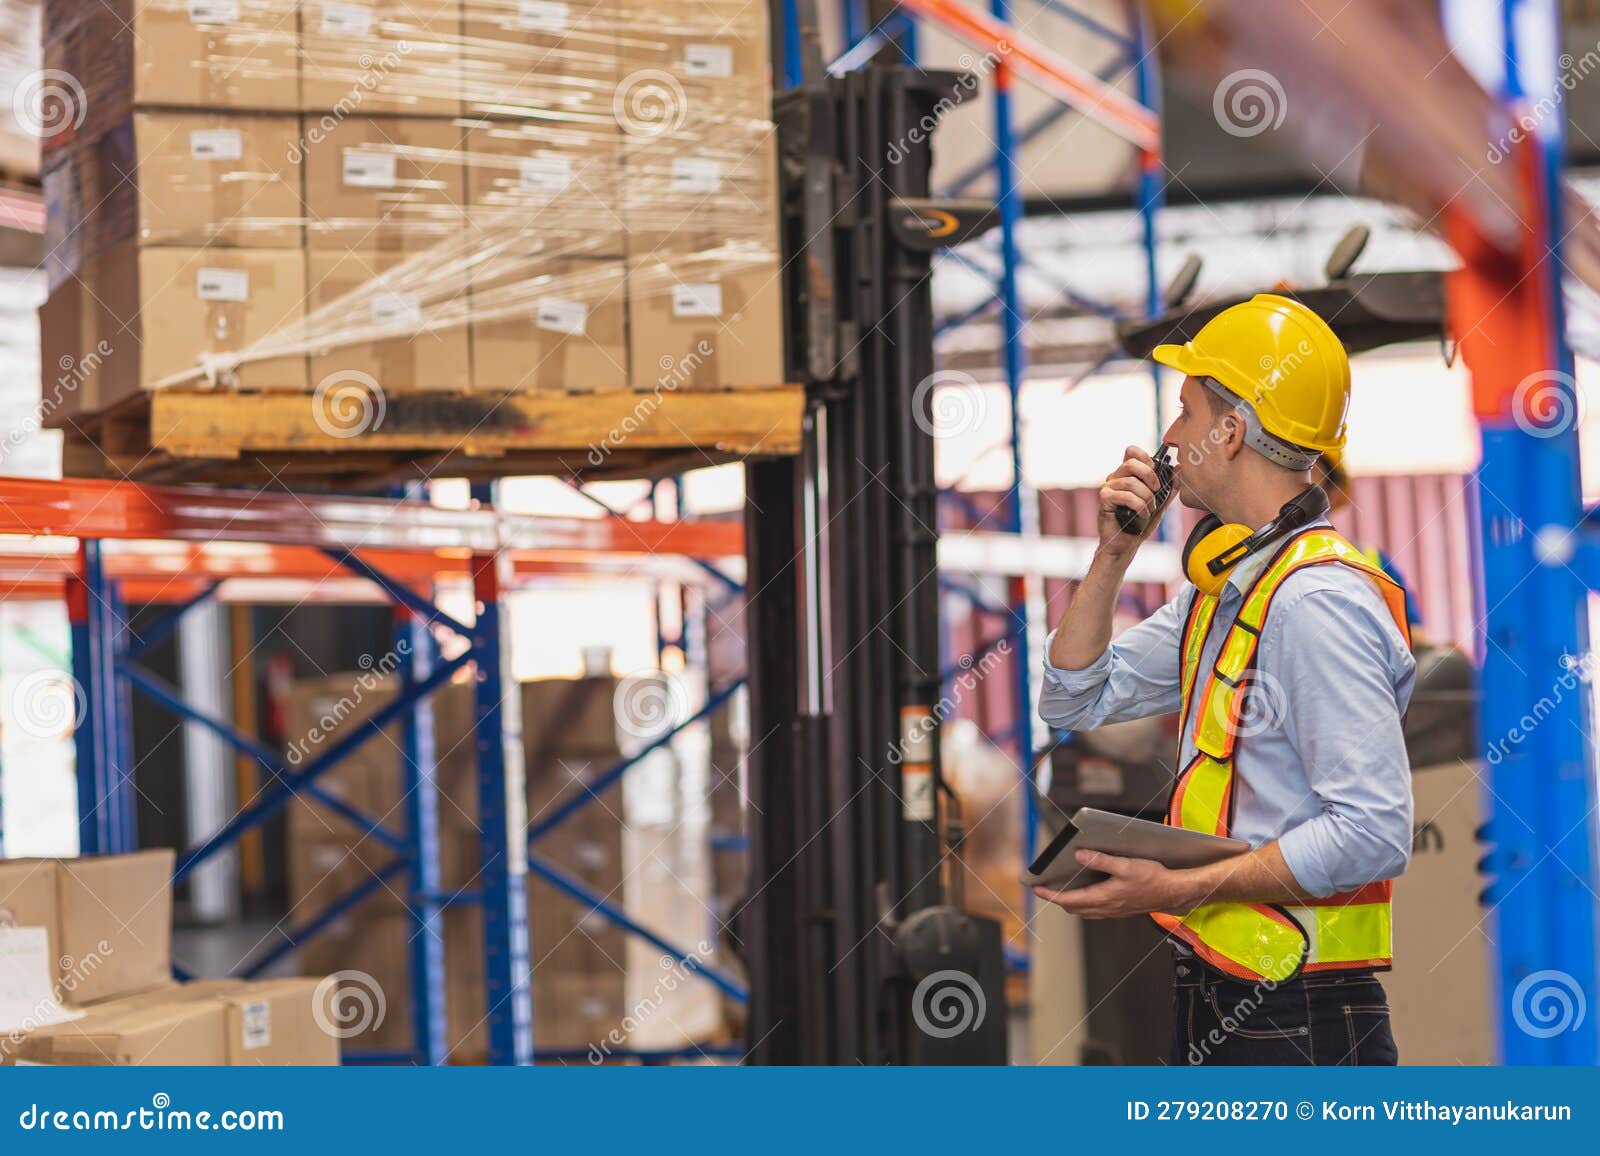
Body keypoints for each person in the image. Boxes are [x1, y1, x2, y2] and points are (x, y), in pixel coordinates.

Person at [1035, 294, 1415, 1066]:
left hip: (1301, 1012)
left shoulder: (1314, 602)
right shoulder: (1226, 591)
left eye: (1185, 412)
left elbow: (1374, 832)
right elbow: (1071, 696)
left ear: (1231, 432)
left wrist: (1175, 888)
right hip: (1225, 984)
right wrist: (1113, 554)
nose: (1169, 440)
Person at [1313, 446, 1426, 643]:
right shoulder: (1254, 561)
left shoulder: (1372, 561)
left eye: (1311, 475)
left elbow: (1412, 633)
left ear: (1334, 493)